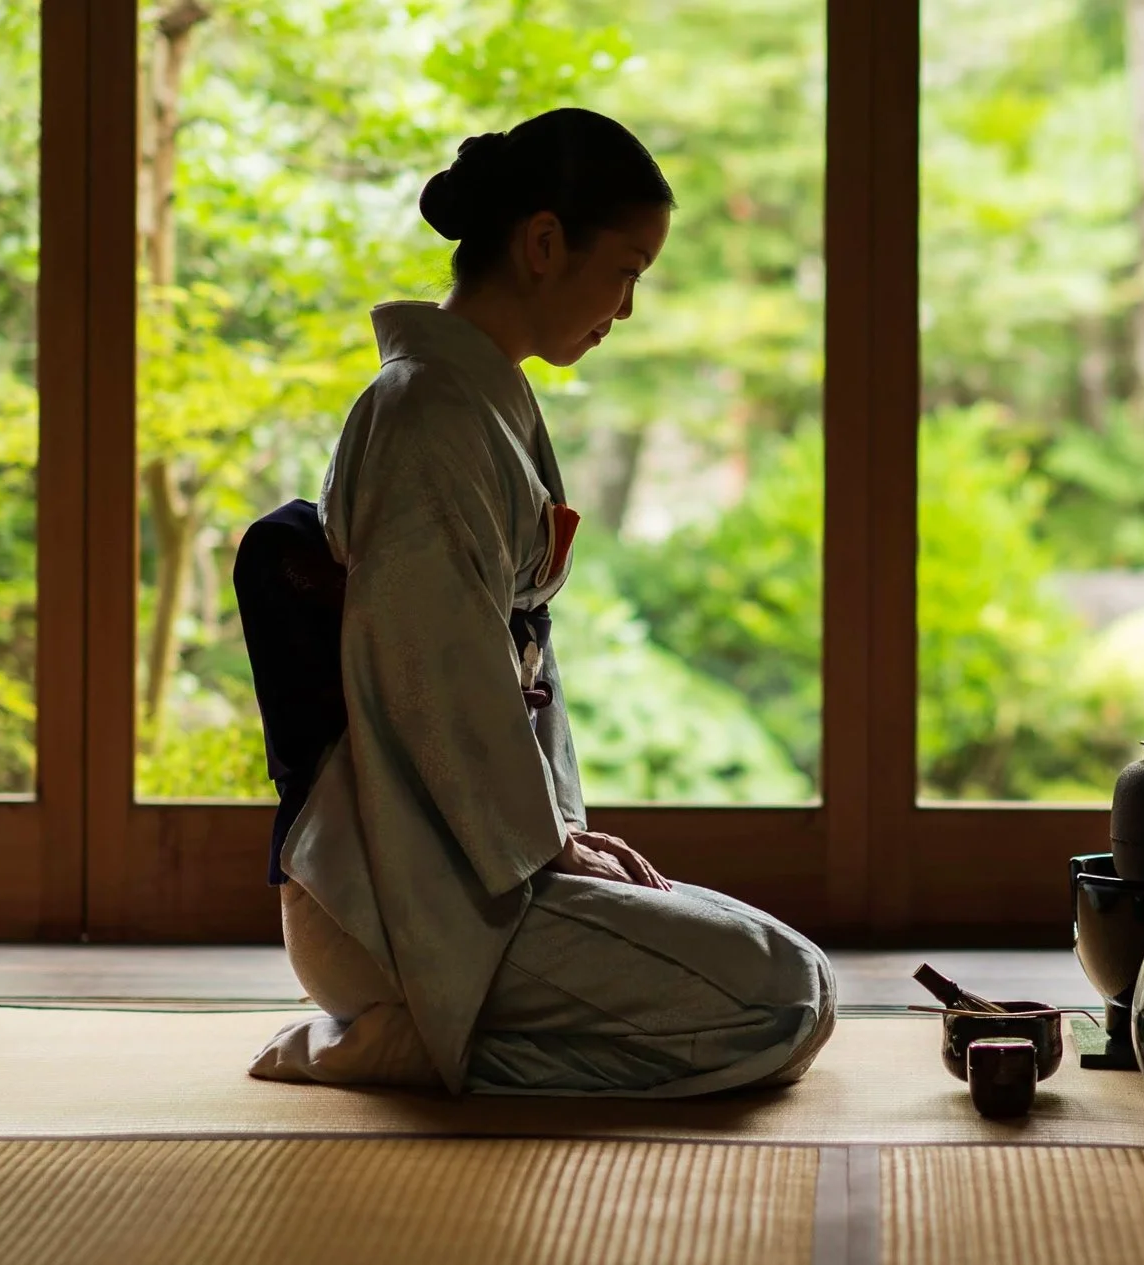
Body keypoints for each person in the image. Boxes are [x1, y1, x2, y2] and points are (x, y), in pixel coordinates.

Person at [241, 108, 835, 1096]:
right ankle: (404, 1033)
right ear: (545, 243)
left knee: (787, 969)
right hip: (393, 895)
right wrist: (546, 843)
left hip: (469, 859)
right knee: (779, 997)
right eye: (626, 269)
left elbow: (492, 673)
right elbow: (437, 680)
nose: (627, 307)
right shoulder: (425, 412)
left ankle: (431, 1034)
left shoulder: (474, 401)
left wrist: (559, 833)